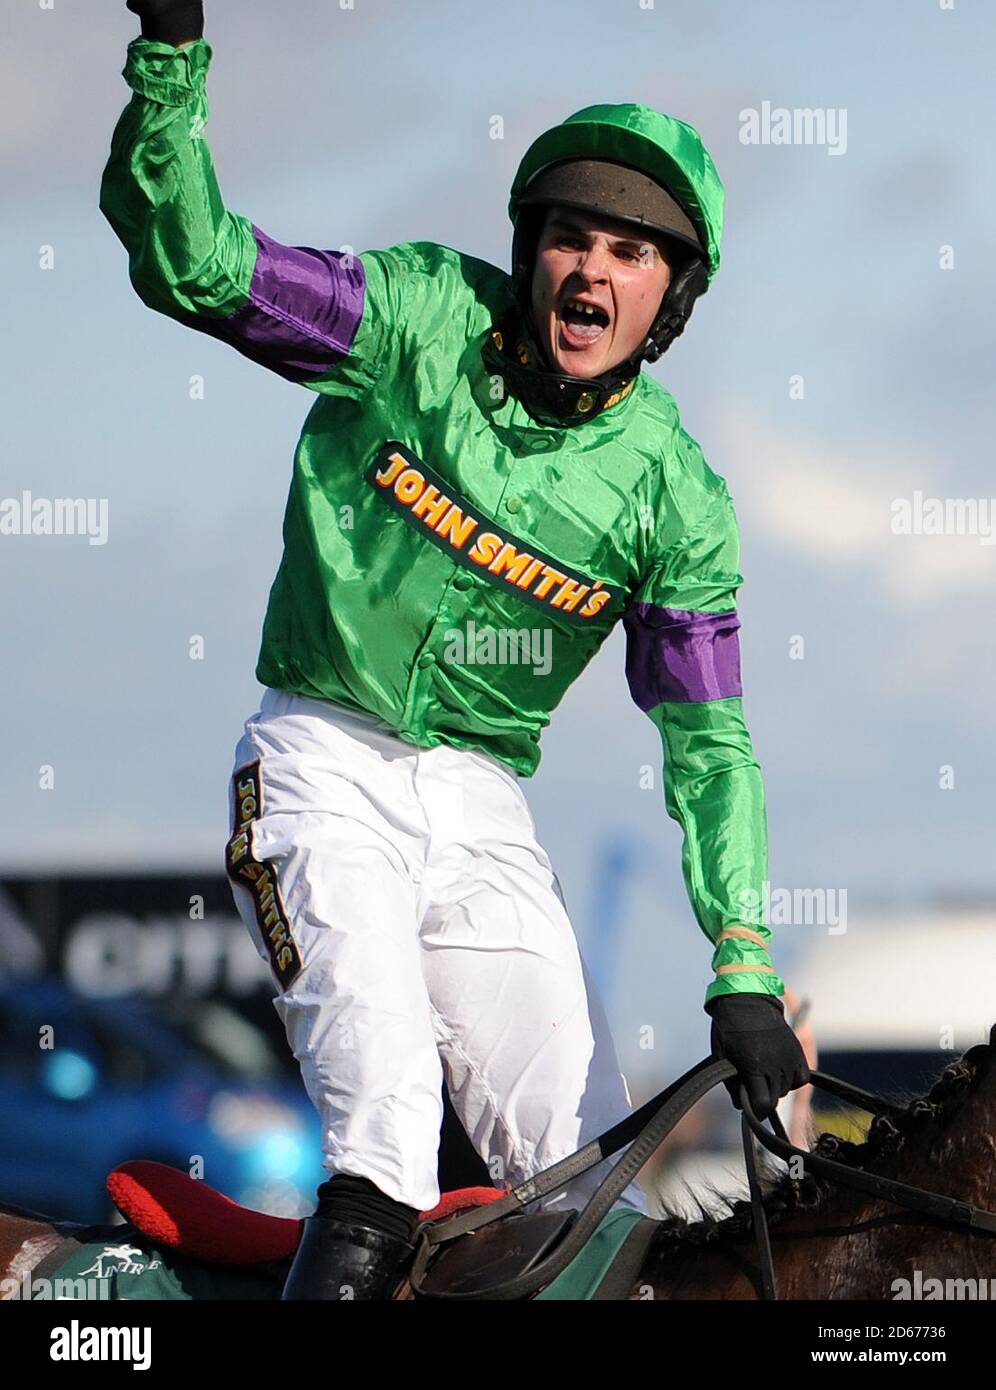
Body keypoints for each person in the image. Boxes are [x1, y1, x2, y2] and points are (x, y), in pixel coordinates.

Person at [101, 0, 810, 1300]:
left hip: (482, 810)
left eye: (632, 255)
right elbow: (193, 263)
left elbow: (709, 738)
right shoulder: (412, 316)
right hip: (321, 762)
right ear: (531, 252)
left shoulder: (678, 496)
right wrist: (172, 57)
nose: (593, 274)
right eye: (572, 239)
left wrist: (744, 963)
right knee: (383, 1146)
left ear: (672, 298)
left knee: (590, 1201)